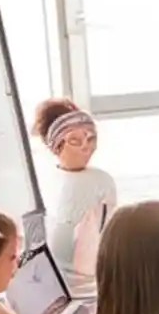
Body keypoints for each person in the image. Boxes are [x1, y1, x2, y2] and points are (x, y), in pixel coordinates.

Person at [33, 98, 117, 296]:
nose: (86, 147)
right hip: (53, 283)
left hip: (87, 285)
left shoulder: (101, 182)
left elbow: (106, 241)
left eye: (91, 139)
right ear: (56, 145)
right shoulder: (45, 179)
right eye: (75, 141)